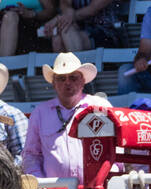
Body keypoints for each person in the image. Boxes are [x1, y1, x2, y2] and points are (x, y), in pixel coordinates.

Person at [21, 53, 111, 182]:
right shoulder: (40, 113)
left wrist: (107, 180)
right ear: (54, 83)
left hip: (95, 188)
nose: (67, 82)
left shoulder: (100, 107)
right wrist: (40, 183)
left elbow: (113, 149)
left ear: (83, 81)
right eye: (61, 78)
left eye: (73, 78)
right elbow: (31, 155)